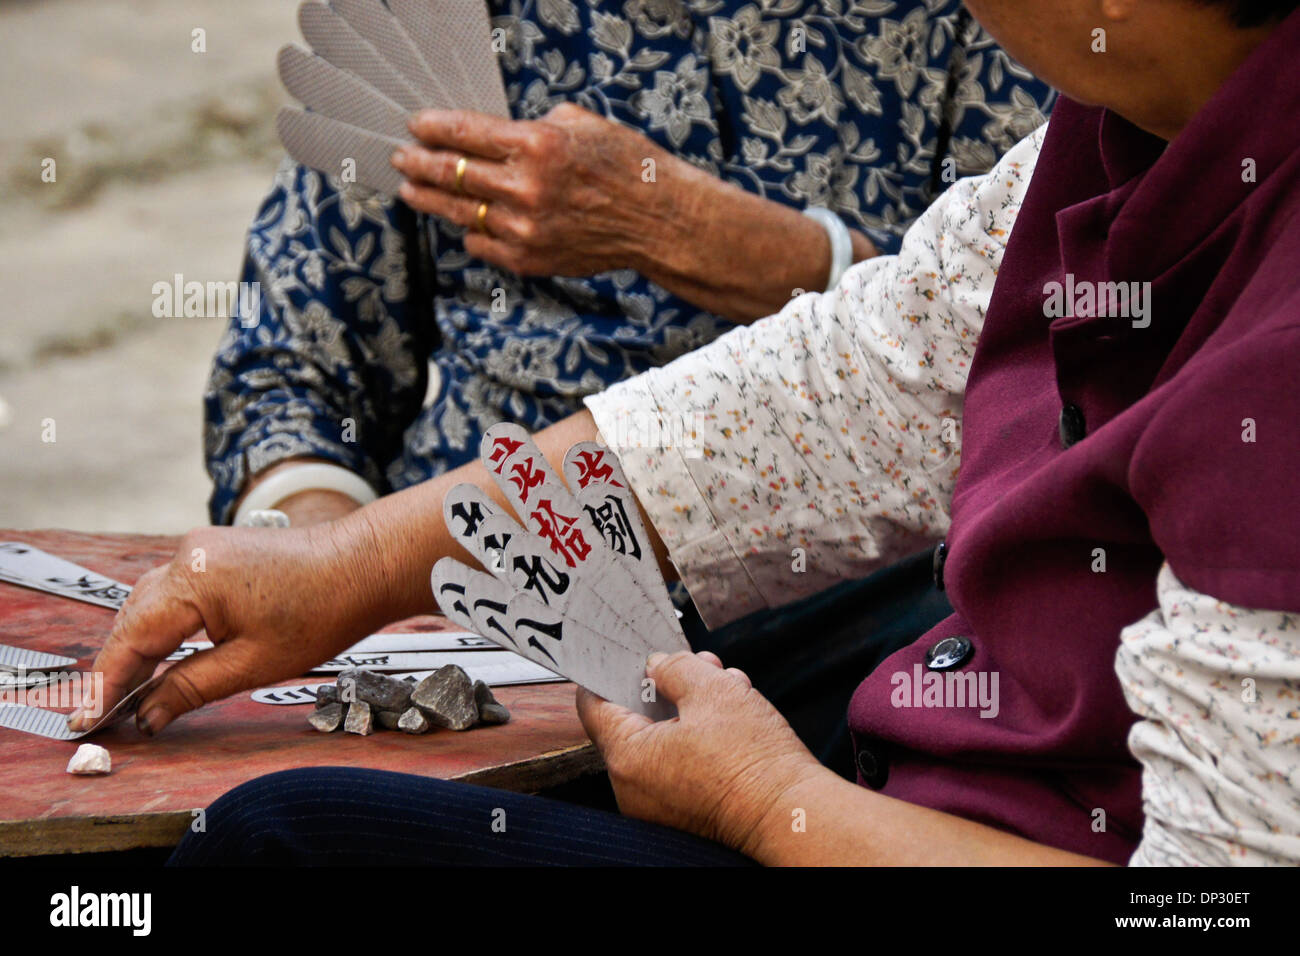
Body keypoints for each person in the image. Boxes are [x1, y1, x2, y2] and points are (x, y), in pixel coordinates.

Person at [85, 0, 1300, 865]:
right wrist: (341, 556)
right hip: (566, 600)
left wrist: (770, 803)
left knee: (288, 848)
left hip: (831, 703)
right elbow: (850, 384)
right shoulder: (1122, 103)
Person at [208, 0, 1050, 770]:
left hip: (857, 596)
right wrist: (339, 561)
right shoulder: (463, 15)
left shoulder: (983, 19)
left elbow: (1020, 333)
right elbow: (295, 359)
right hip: (477, 590)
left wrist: (696, 231)